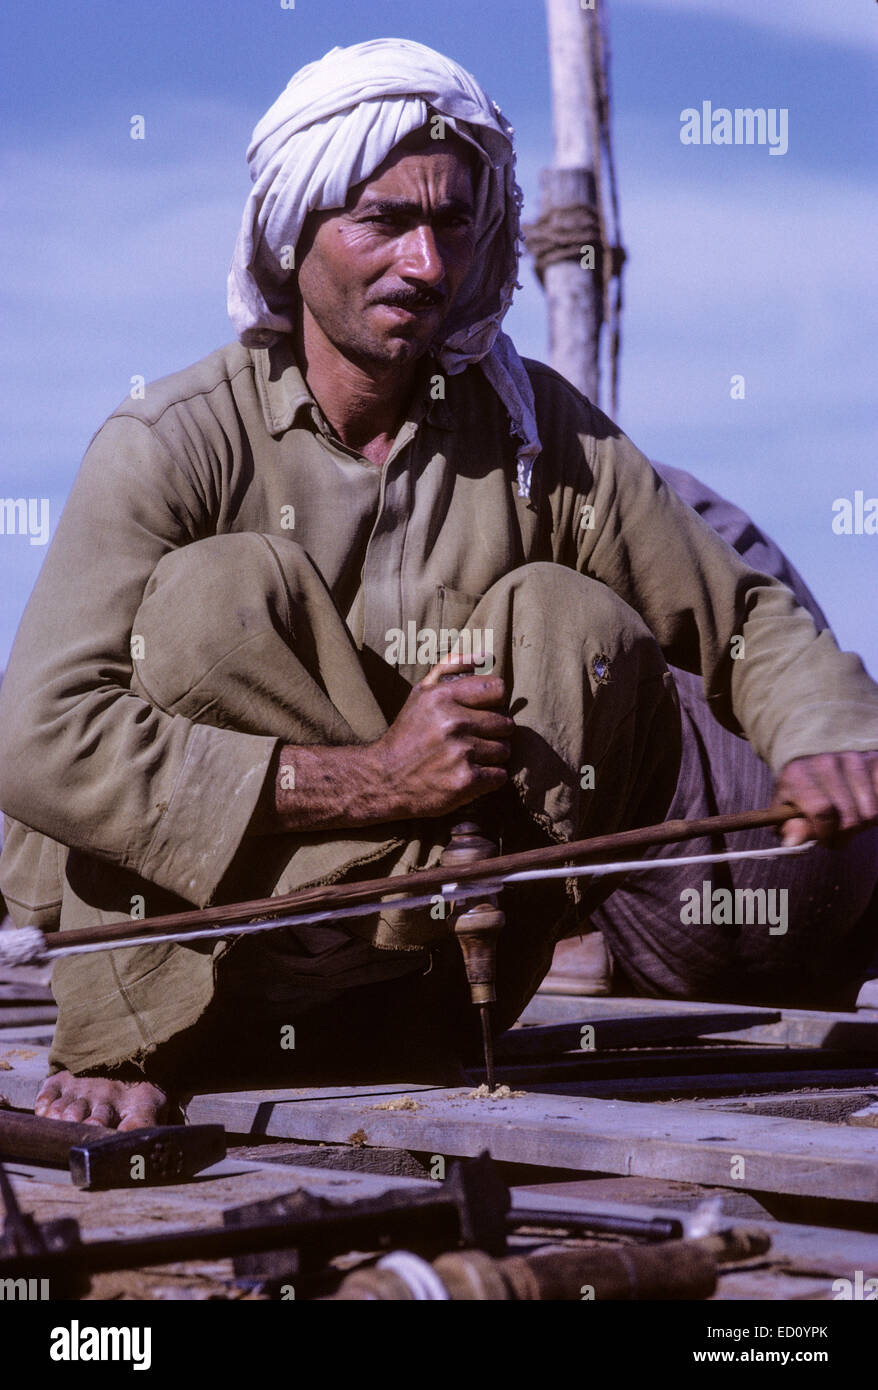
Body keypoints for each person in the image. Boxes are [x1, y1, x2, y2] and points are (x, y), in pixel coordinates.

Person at [0, 39, 876, 1133]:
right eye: (381, 221)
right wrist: (376, 779)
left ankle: (399, 997)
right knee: (215, 596)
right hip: (187, 979)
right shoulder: (171, 442)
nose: (424, 262)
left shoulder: (532, 432)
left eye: (451, 223)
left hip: (434, 975)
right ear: (292, 233)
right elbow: (37, 736)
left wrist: (818, 732)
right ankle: (148, 1028)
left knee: (572, 618)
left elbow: (737, 611)